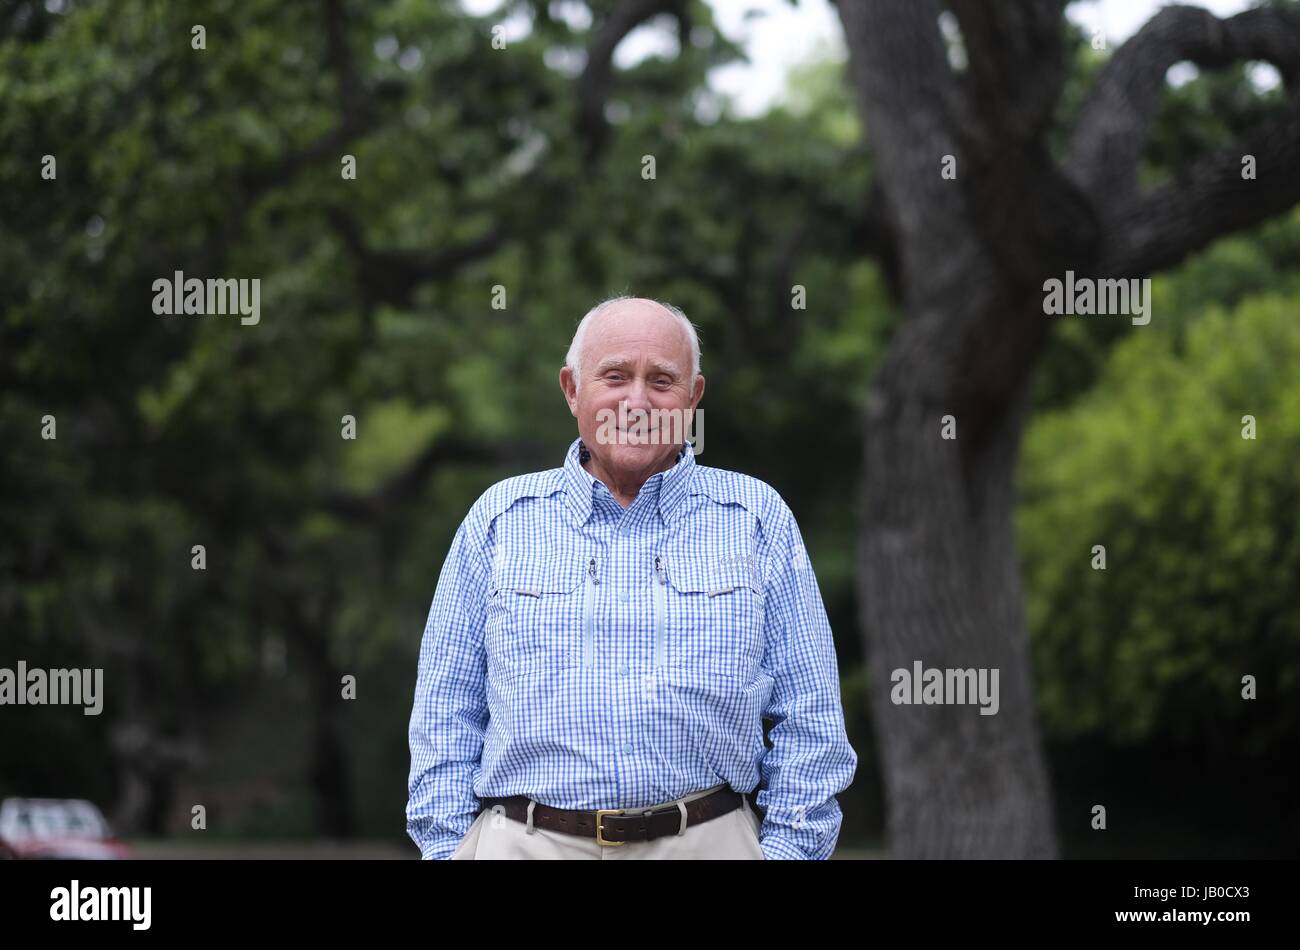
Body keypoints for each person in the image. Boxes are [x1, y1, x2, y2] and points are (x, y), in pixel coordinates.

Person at [406, 295, 857, 859]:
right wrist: (450, 851)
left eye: (662, 380)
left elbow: (811, 718)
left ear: (693, 399)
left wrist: (789, 854)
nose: (637, 400)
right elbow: (445, 715)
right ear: (573, 390)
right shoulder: (498, 519)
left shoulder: (756, 518)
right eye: (614, 376)